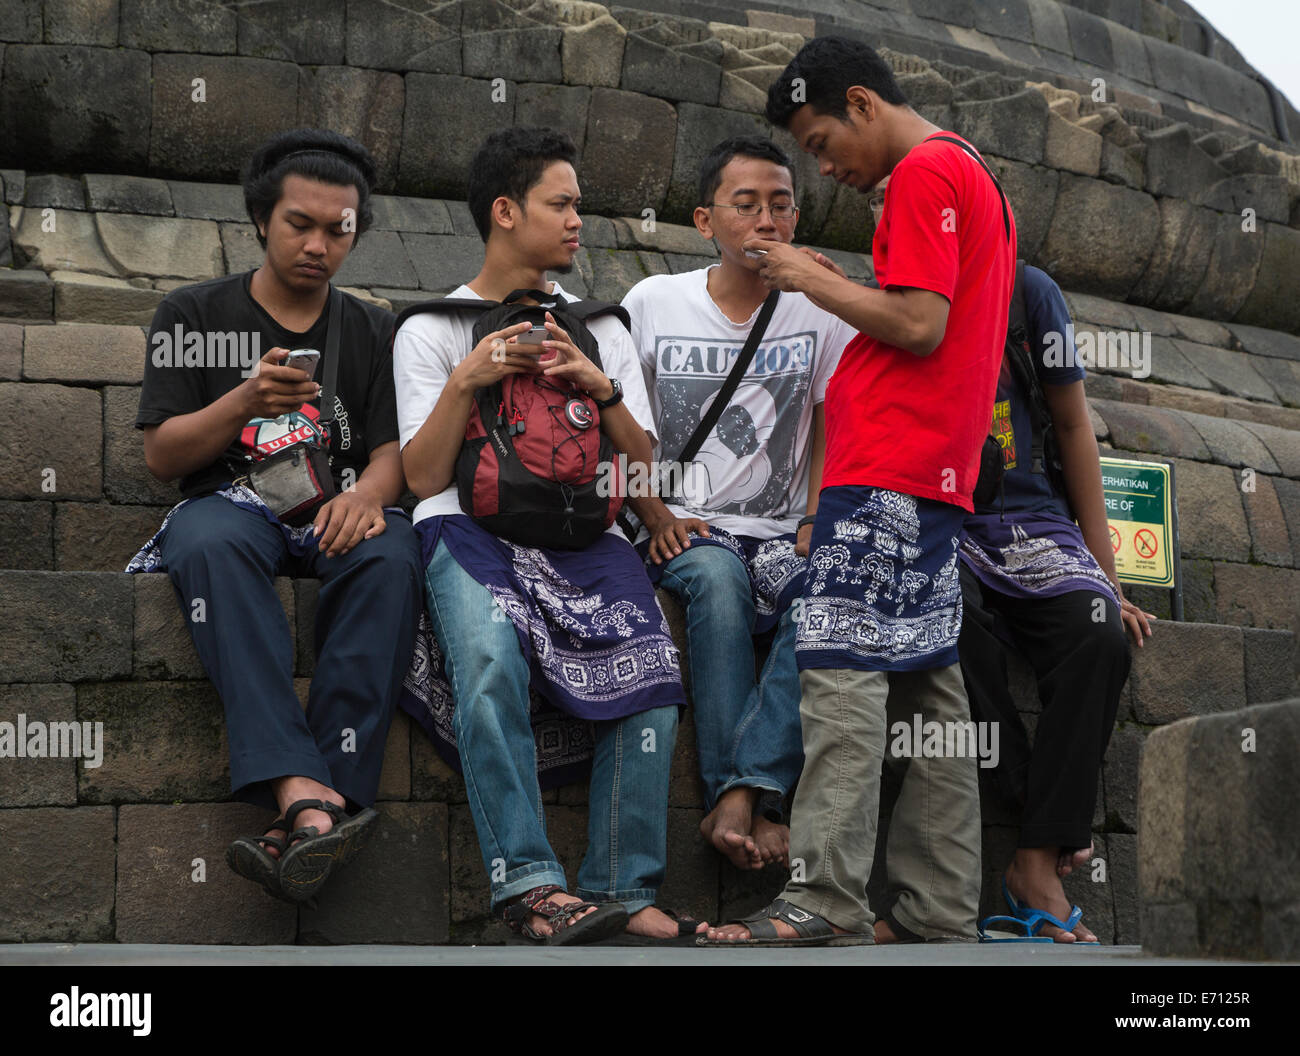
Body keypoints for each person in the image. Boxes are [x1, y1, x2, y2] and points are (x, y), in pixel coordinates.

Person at [702, 35, 1016, 946]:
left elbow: (919, 324)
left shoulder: (922, 175)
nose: (823, 167)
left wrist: (806, 278)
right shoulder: (968, 171)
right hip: (936, 472)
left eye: (819, 141)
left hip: (886, 467)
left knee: (838, 678)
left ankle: (824, 901)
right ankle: (936, 910)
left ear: (863, 104)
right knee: (927, 692)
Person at [393, 126, 701, 944]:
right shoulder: (430, 331)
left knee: (653, 676)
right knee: (487, 661)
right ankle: (530, 886)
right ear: (505, 211)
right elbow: (423, 480)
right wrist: (469, 378)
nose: (577, 221)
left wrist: (599, 388)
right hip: (467, 528)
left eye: (578, 205)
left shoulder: (602, 327)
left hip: (586, 534)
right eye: (560, 204)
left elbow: (643, 469)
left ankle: (621, 888)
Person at [129, 129, 423, 903]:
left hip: (338, 507)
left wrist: (367, 496)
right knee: (209, 541)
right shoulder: (190, 313)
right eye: (301, 224)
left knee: (391, 554)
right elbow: (164, 457)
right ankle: (307, 791)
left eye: (340, 228)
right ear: (262, 220)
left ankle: (308, 806)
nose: (320, 244)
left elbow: (394, 453)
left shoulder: (372, 328)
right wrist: (244, 400)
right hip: (233, 504)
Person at [620, 136, 852, 871]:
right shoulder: (656, 302)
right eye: (745, 205)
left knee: (827, 592)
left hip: (781, 530)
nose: (766, 222)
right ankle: (741, 791)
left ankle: (743, 792)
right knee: (717, 582)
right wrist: (656, 516)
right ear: (703, 220)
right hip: (683, 525)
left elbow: (826, 423)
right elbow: (619, 425)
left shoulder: (821, 307)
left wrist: (816, 515)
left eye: (781, 206)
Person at [956, 256, 1154, 943]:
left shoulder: (1028, 293)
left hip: (1033, 523)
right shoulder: (889, 293)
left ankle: (1033, 860)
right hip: (940, 517)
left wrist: (1108, 578)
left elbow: (1073, 428)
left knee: (1100, 632)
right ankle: (1032, 794)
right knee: (938, 615)